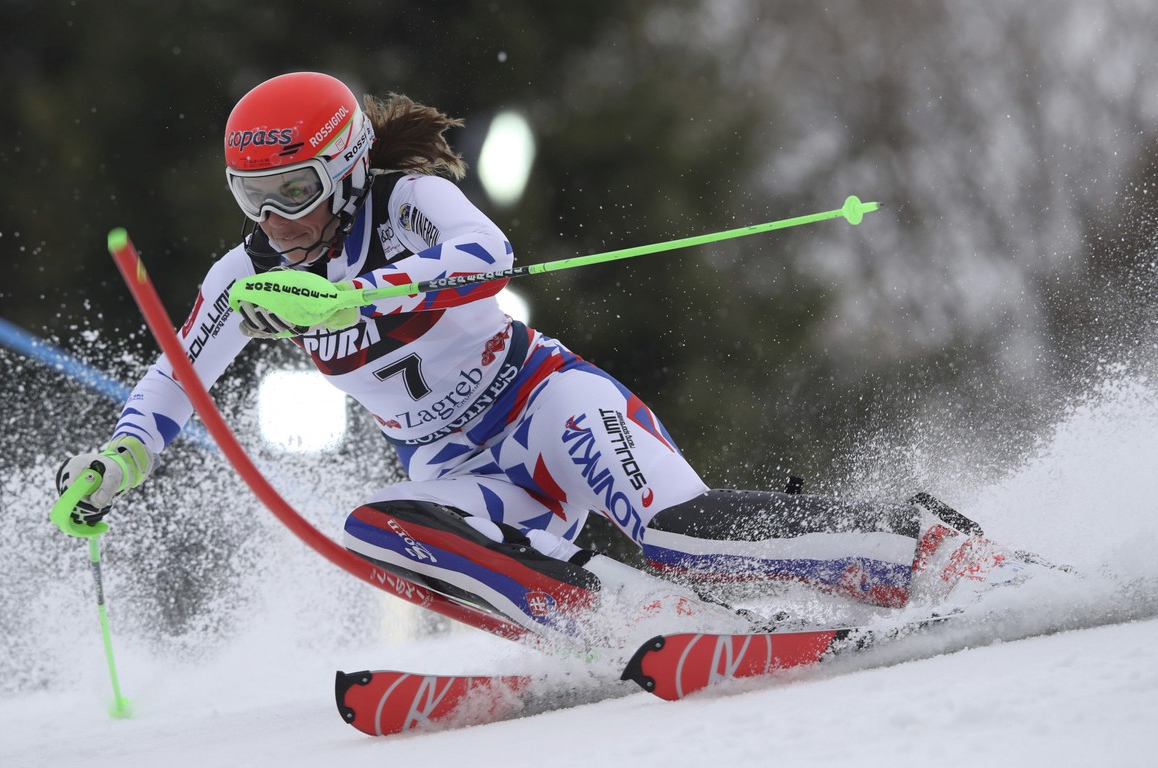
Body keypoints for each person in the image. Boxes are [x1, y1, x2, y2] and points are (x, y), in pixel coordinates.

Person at [55, 72, 1029, 650]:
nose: (276, 220)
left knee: (682, 534)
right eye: (251, 196)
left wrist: (362, 294)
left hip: (543, 407)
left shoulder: (402, 206)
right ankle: (630, 623)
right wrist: (118, 462)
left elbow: (484, 260)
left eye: (295, 191)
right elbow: (173, 384)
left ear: (347, 168)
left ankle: (920, 546)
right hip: (453, 468)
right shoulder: (248, 275)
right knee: (377, 529)